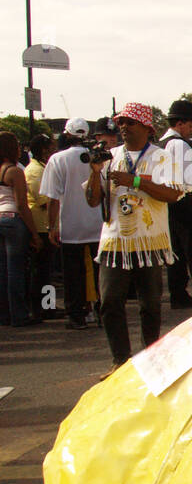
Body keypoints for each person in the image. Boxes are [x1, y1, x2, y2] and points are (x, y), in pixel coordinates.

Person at [85, 103, 184, 375]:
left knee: (150, 304)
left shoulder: (162, 158)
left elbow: (173, 194)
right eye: (121, 123)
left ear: (146, 127)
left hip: (149, 242)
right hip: (115, 242)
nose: (123, 127)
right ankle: (120, 361)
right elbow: (93, 200)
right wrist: (95, 174)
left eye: (129, 122)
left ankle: (152, 362)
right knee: (109, 301)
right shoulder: (108, 157)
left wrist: (136, 181)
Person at [39, 118, 103, 329]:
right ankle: (100, 311)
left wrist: (52, 227)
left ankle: (76, 315)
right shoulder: (98, 157)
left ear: (66, 134)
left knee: (73, 274)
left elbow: (53, 198)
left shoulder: (57, 159)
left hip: (70, 225)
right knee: (97, 272)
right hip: (96, 223)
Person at [159, 98, 192, 309]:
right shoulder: (179, 144)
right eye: (189, 125)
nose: (191, 130)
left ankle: (178, 293)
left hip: (166, 202)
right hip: (182, 201)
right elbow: (190, 176)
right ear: (179, 124)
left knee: (175, 252)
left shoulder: (160, 144)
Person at [0, 131, 43, 326]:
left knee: (3, 271)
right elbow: (22, 205)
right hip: (13, 220)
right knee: (16, 271)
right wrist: (34, 233)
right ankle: (19, 315)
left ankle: (4, 314)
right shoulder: (15, 171)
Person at [24, 134, 54, 322]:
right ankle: (43, 308)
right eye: (50, 147)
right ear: (43, 149)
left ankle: (48, 306)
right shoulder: (35, 171)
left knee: (46, 271)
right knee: (42, 271)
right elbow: (45, 200)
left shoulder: (41, 168)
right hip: (41, 226)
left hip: (45, 225)